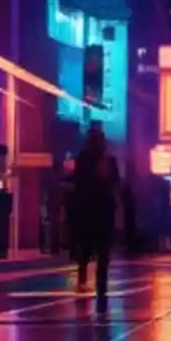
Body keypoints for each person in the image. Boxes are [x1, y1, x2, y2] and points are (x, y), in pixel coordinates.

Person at [67, 128, 122, 309]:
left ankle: (83, 279)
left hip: (87, 211)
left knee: (86, 249)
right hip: (103, 211)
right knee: (102, 252)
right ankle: (101, 285)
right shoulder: (108, 160)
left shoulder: (82, 159)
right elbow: (116, 184)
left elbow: (76, 185)